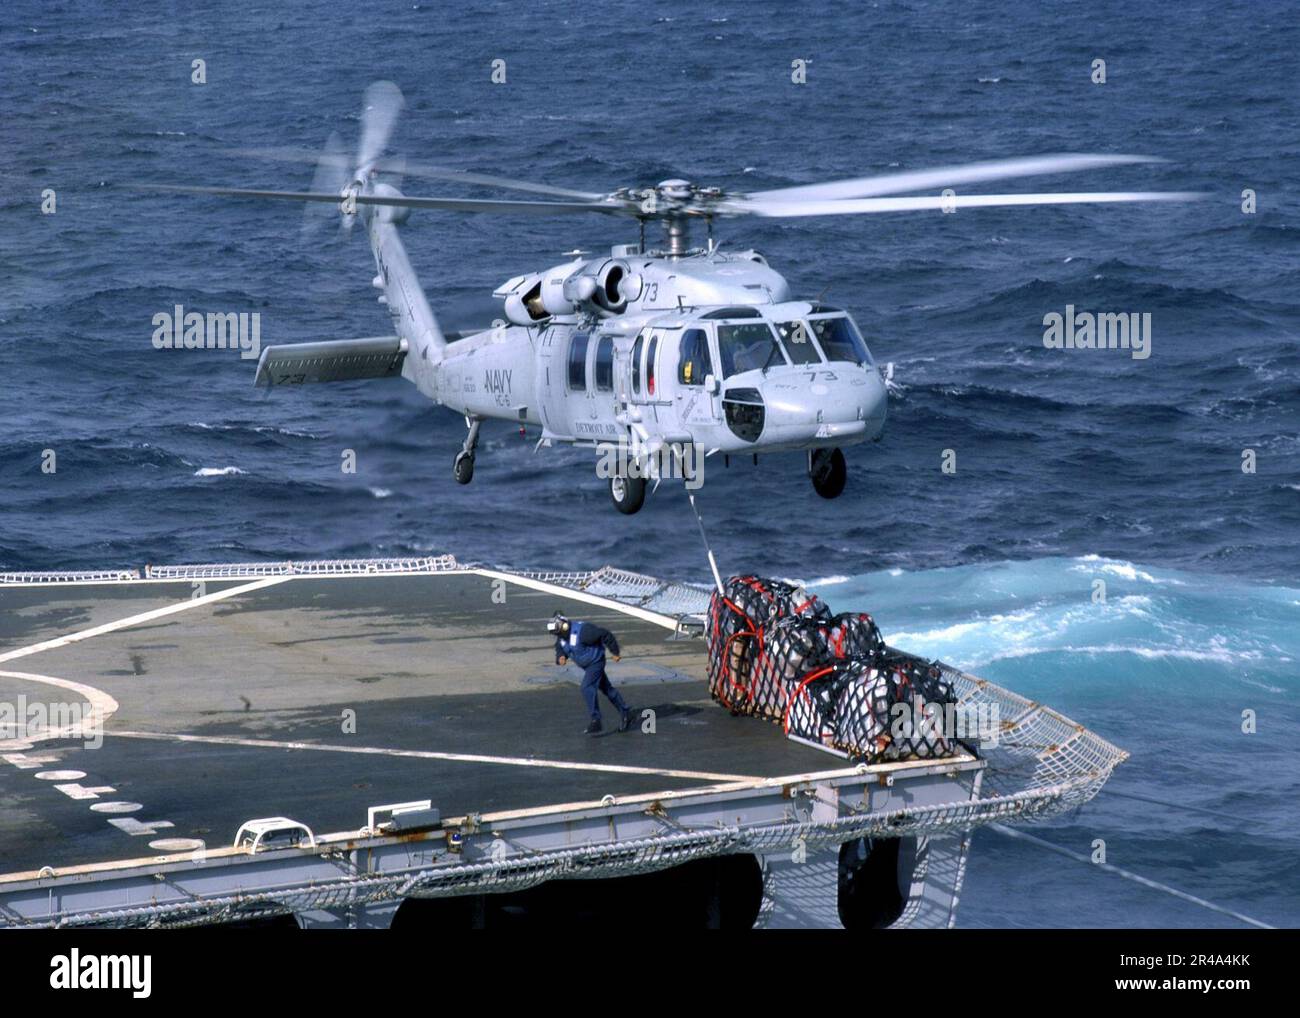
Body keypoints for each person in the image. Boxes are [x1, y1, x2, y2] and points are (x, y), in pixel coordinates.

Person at [548, 612, 635, 735]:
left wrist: (615, 652)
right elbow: (560, 647)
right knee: (607, 689)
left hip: (596, 662)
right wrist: (561, 656)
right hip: (588, 666)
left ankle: (596, 720)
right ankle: (626, 712)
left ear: (564, 626)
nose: (557, 636)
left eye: (558, 632)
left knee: (587, 687)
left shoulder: (584, 632)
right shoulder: (562, 637)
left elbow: (605, 634)